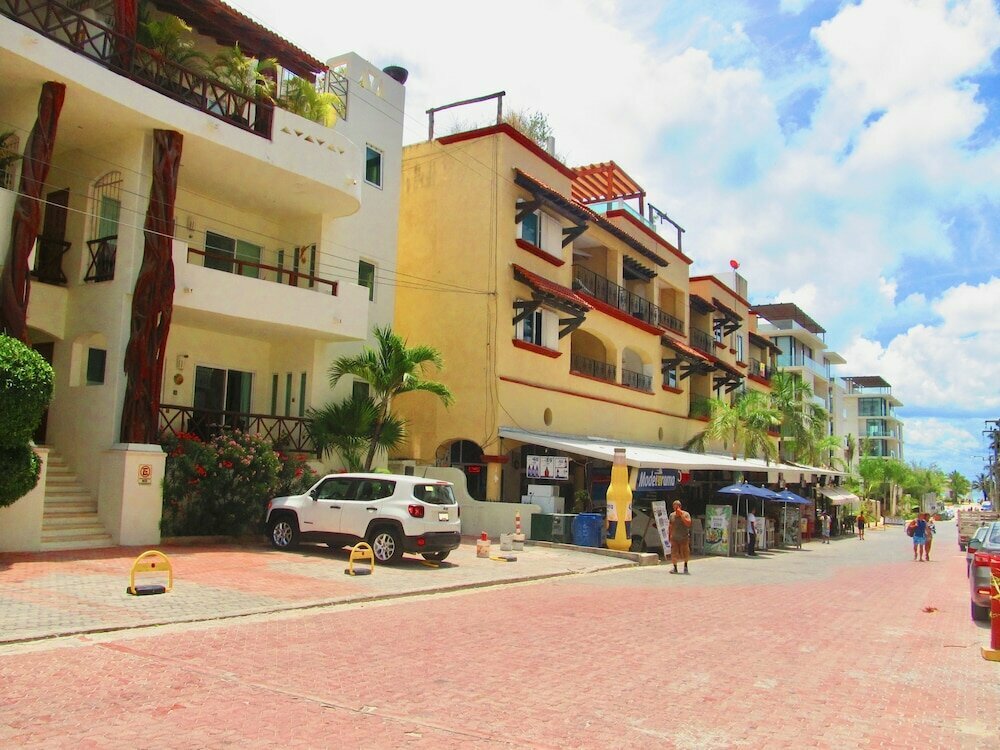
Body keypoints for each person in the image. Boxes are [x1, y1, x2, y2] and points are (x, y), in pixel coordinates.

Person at [667, 499, 692, 574]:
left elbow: (688, 524)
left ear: (680, 506)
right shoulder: (672, 515)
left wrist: (681, 515)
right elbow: (670, 526)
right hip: (674, 538)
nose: (675, 508)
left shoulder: (686, 514)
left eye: (677, 507)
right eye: (674, 507)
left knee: (685, 552)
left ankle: (685, 566)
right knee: (674, 553)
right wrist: (669, 536)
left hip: (684, 537)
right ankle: (675, 567)